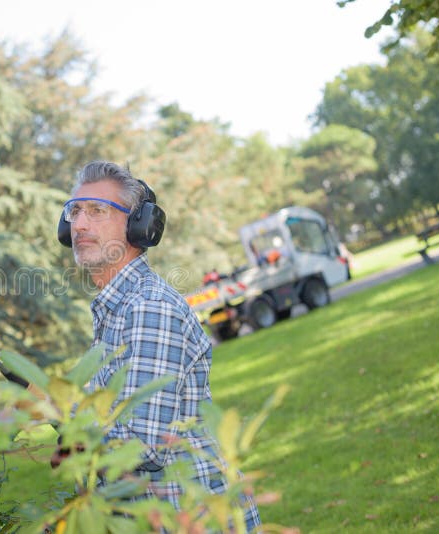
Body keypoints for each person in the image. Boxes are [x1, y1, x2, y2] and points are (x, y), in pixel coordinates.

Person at [56, 160, 260, 532]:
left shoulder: (148, 307)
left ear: (139, 226)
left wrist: (57, 411)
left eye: (97, 211)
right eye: (75, 211)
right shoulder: (117, 308)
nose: (79, 225)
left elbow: (142, 446)